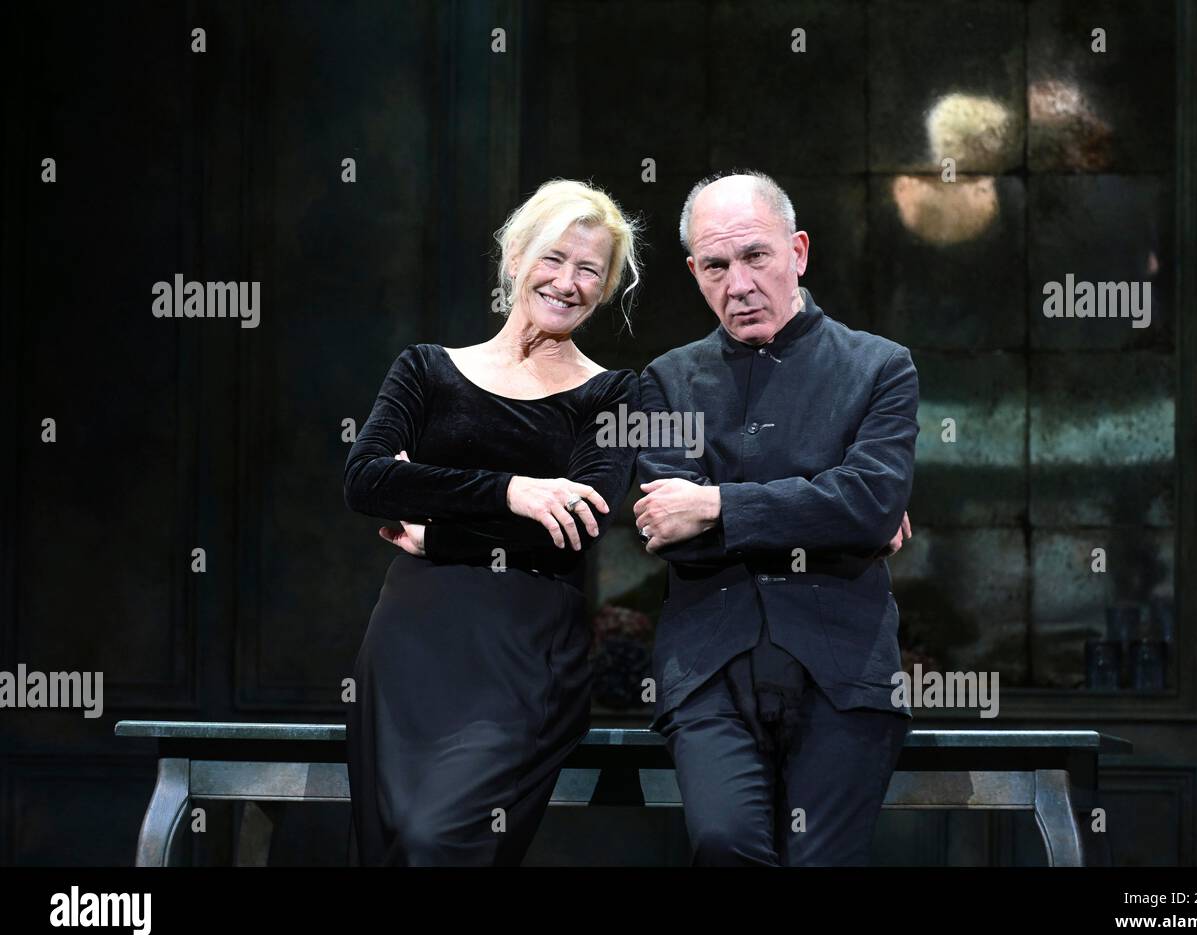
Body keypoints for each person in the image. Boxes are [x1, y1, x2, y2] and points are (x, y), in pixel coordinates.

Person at [342, 179, 642, 865]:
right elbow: (367, 480)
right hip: (410, 642)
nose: (567, 282)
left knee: (436, 840)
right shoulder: (426, 369)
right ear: (514, 257)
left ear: (605, 288)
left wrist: (438, 527)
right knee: (388, 843)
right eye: (553, 257)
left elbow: (578, 523)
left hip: (524, 646)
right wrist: (513, 492)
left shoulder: (614, 393)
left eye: (589, 270)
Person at [633, 170, 917, 866]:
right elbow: (670, 534)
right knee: (725, 845)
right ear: (695, 272)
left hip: (843, 668)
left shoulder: (880, 367)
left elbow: (870, 502)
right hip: (709, 666)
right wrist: (830, 513)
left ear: (798, 251)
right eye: (716, 266)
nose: (738, 285)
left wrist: (715, 502)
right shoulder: (666, 381)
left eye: (756, 256)